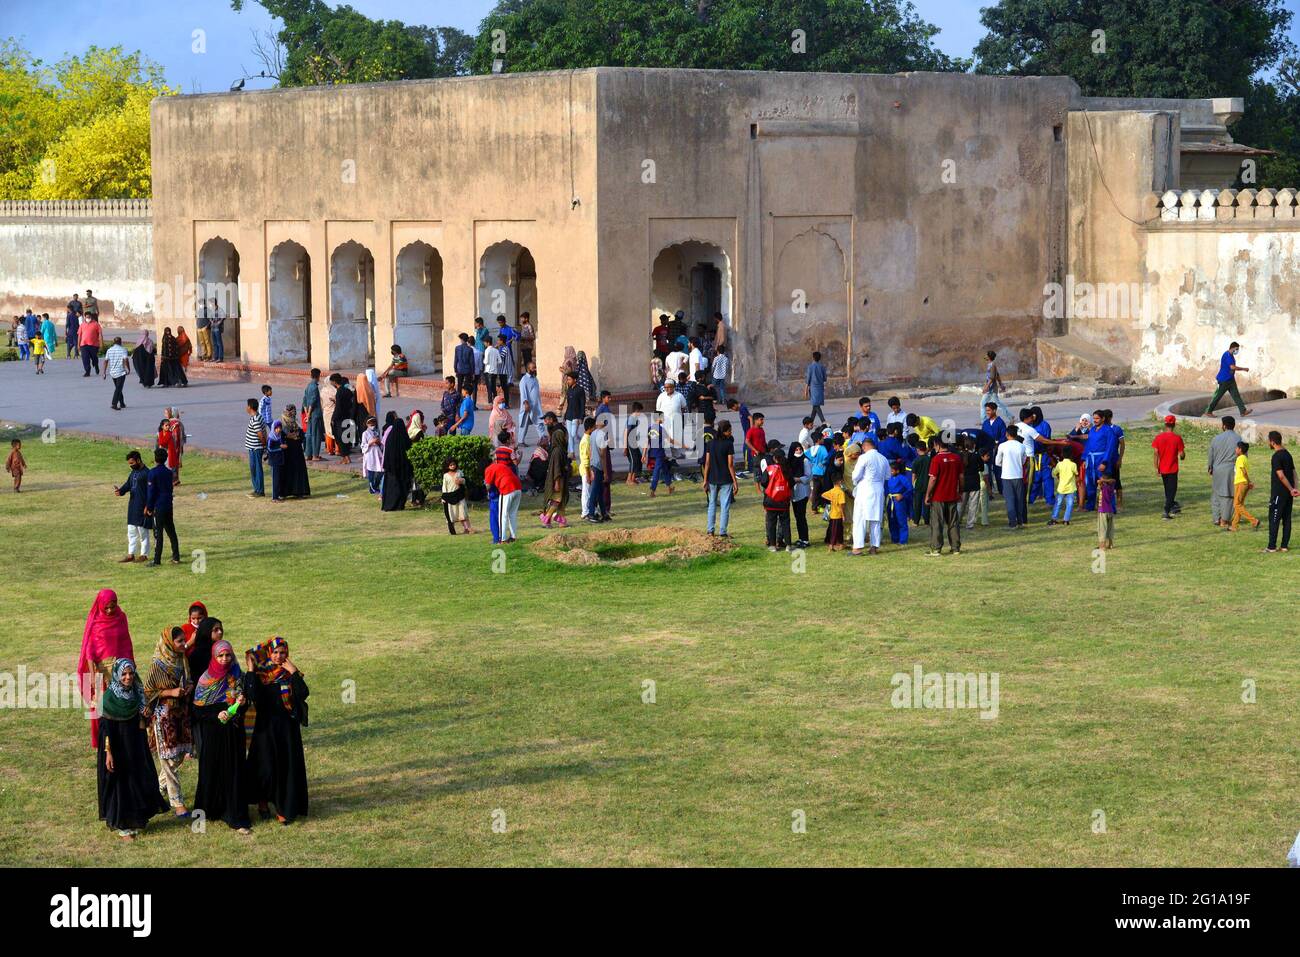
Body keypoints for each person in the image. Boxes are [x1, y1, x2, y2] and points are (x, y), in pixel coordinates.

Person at [96, 658, 169, 839]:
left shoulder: (137, 693)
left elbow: (143, 722)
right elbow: (105, 730)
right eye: (124, 674)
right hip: (116, 746)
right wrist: (109, 753)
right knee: (120, 784)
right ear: (117, 675)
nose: (128, 677)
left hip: (135, 744)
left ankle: (135, 818)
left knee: (137, 780)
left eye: (131, 673)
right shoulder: (109, 699)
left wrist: (145, 714)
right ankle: (122, 824)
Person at [245, 636, 309, 825]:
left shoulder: (289, 673)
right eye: (275, 652)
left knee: (285, 767)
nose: (279, 656)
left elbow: (303, 694)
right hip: (264, 728)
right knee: (265, 767)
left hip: (287, 727)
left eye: (283, 653)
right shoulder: (260, 674)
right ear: (268, 653)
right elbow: (252, 695)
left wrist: (294, 672)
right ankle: (263, 802)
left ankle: (283, 808)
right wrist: (250, 670)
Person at [191, 639, 252, 833]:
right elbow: (197, 712)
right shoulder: (205, 680)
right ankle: (210, 809)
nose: (225, 659)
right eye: (221, 655)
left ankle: (235, 815)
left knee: (234, 770)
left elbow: (246, 701)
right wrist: (216, 714)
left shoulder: (236, 674)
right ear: (214, 657)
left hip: (233, 732)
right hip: (212, 732)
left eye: (228, 655)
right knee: (211, 769)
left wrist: (242, 703)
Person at [142, 627, 194, 816]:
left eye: (183, 640)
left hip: (180, 713)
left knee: (178, 757)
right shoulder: (158, 664)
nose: (183, 644)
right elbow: (147, 691)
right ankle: (177, 803)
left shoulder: (181, 658)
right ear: (169, 642)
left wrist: (188, 687)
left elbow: (189, 679)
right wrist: (170, 692)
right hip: (162, 715)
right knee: (167, 758)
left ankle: (157, 788)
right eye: (179, 641)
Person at [77, 589, 135, 749]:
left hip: (121, 670)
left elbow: (126, 642)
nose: (110, 610)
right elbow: (90, 651)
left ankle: (122, 736)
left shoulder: (121, 618)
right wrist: (94, 675)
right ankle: (104, 741)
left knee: (123, 702)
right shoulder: (96, 621)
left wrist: (130, 664)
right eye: (107, 607)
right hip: (102, 672)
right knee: (102, 707)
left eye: (113, 606)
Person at [851, 436, 890, 555]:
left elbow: (855, 475)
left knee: (859, 518)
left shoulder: (864, 457)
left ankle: (857, 547)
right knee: (876, 519)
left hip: (865, 489)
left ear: (864, 447)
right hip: (878, 489)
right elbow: (888, 476)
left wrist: (857, 480)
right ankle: (874, 546)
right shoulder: (883, 458)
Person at [925, 436, 963, 555]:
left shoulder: (936, 459)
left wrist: (927, 494)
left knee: (937, 523)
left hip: (938, 496)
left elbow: (933, 479)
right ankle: (955, 547)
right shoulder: (956, 458)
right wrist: (960, 491)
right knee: (953, 522)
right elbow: (961, 477)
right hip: (952, 495)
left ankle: (936, 548)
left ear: (938, 445)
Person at [114, 449, 151, 562]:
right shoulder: (133, 473)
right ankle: (131, 554)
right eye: (129, 464)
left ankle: (144, 555)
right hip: (133, 506)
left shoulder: (147, 473)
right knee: (131, 531)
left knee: (142, 532)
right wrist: (121, 491)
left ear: (138, 460)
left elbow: (151, 491)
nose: (131, 466)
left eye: (132, 463)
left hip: (142, 507)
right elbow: (128, 484)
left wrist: (148, 506)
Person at [145, 447, 180, 565]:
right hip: (168, 504)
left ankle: (157, 560)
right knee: (171, 531)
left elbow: (151, 493)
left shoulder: (152, 473)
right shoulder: (169, 472)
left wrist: (149, 507)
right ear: (165, 459)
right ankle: (176, 556)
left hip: (158, 506)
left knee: (158, 533)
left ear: (155, 459)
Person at [703, 420, 738, 537]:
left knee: (712, 504)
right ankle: (723, 532)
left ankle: (710, 530)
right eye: (729, 431)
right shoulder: (728, 444)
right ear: (725, 431)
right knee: (725, 506)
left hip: (712, 478)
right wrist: (735, 481)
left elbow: (707, 463)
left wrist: (705, 480)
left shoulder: (710, 443)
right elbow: (730, 465)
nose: (731, 432)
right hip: (726, 479)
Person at [1265, 431, 1298, 553]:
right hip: (1289, 494)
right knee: (1287, 519)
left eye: (1269, 441)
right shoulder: (1288, 454)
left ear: (1272, 442)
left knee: (1274, 519)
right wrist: (1295, 488)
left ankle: (1271, 547)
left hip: (1279, 493)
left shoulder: (1276, 456)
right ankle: (1284, 546)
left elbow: (1281, 475)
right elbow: (1294, 473)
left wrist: (1291, 489)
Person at [486, 437, 523, 541]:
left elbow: (488, 485)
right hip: (518, 487)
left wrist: (488, 493)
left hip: (507, 489)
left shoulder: (489, 469)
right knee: (512, 513)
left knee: (503, 514)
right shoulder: (503, 466)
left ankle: (501, 539)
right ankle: (513, 536)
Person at [1150, 415, 1186, 520]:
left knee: (1167, 489)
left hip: (1162, 468)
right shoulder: (1177, 438)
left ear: (1165, 424)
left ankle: (1173, 506)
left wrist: (1156, 467)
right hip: (1173, 468)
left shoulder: (1159, 437)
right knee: (1172, 490)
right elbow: (1182, 455)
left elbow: (1156, 453)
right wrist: (1183, 455)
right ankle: (1166, 510)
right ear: (1174, 425)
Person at [1204, 341, 1253, 417]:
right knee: (1217, 396)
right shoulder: (1227, 355)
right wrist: (1243, 369)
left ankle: (1243, 411)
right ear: (1232, 348)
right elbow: (1232, 367)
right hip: (1223, 380)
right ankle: (1209, 411)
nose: (1237, 351)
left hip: (1230, 379)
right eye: (1236, 349)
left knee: (1236, 395)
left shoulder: (1231, 355)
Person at [1208, 416, 1241, 527]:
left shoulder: (1216, 438)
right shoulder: (1239, 439)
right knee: (1228, 495)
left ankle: (1216, 518)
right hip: (1232, 470)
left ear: (1224, 426)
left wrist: (1210, 467)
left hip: (1217, 470)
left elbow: (1211, 455)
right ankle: (1225, 519)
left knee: (1216, 494)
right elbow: (1243, 457)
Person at [541, 413, 571, 527]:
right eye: (563, 437)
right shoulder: (558, 452)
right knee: (557, 498)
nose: (565, 439)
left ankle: (561, 521)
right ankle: (547, 517)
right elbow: (557, 468)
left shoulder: (558, 450)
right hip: (557, 479)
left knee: (562, 497)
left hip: (559, 477)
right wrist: (557, 482)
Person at [996, 425, 1028, 529]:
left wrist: (1004, 465)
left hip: (1006, 476)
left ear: (1007, 434)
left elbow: (997, 461)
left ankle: (1012, 523)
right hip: (1018, 475)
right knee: (1019, 499)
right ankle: (1020, 521)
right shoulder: (1022, 446)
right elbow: (1023, 461)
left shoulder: (1002, 446)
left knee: (1010, 500)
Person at [761, 447, 793, 551]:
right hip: (783, 501)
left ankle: (772, 545)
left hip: (771, 501)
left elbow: (763, 482)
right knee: (785, 523)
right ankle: (788, 545)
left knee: (771, 524)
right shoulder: (787, 470)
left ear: (774, 458)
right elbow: (791, 483)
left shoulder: (769, 469)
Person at [381, 413, 414, 511]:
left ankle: (390, 505)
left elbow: (387, 454)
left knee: (392, 488)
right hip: (402, 470)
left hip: (391, 470)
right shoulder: (404, 439)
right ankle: (399, 505)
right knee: (402, 487)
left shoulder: (390, 439)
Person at [1229, 441, 1262, 532]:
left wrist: (1248, 481)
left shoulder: (1240, 458)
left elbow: (1243, 471)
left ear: (1240, 449)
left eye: (1236, 448)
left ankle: (1254, 520)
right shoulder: (1245, 458)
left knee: (1237, 504)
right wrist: (1249, 482)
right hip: (1244, 483)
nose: (1235, 449)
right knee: (1239, 505)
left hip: (1241, 483)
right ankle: (1234, 526)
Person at [280, 405, 311, 498]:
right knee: (287, 472)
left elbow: (301, 436)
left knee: (298, 472)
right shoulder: (282, 423)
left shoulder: (296, 422)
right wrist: (289, 436)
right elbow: (280, 436)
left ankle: (299, 491)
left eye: (292, 411)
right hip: (287, 452)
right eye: (289, 411)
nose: (290, 413)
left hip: (297, 451)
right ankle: (285, 492)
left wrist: (296, 436)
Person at [886, 459, 913, 545]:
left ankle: (903, 540)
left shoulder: (902, 478)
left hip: (899, 502)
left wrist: (902, 495)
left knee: (901, 520)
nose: (890, 472)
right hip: (890, 501)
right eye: (889, 470)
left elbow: (910, 489)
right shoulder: (888, 478)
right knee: (892, 520)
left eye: (892, 470)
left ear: (897, 470)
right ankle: (894, 538)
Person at [441, 460, 472, 534]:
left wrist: (462, 480)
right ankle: (452, 531)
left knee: (462, 512)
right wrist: (443, 497)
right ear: (447, 466)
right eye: (451, 465)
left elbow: (465, 480)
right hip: (449, 497)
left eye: (454, 464)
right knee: (451, 513)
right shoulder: (445, 475)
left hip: (459, 495)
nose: (452, 466)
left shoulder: (459, 472)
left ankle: (467, 529)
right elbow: (444, 487)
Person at [331, 375, 356, 464]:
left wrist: (333, 418)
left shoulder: (339, 392)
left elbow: (338, 407)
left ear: (334, 382)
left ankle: (346, 457)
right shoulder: (348, 391)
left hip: (340, 418)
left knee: (339, 438)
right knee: (346, 438)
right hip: (348, 416)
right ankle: (345, 457)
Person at [1048, 451, 1078, 526]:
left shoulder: (1059, 464)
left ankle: (1054, 519)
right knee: (1069, 504)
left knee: (1058, 503)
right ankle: (1066, 520)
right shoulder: (1073, 464)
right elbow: (1076, 473)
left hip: (1061, 488)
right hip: (1071, 487)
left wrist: (1058, 475)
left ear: (1062, 455)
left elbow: (1054, 473)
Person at [981, 349, 1012, 422]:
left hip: (991, 389)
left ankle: (1011, 417)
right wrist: (1001, 384)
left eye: (986, 355)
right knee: (986, 404)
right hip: (991, 388)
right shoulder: (990, 365)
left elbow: (992, 378)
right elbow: (997, 375)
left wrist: (986, 387)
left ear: (989, 357)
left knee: (986, 404)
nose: (985, 356)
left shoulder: (992, 365)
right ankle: (1010, 417)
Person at [245, 399, 267, 497]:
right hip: (254, 447)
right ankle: (257, 489)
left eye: (247, 406)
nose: (246, 408)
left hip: (255, 448)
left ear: (250, 407)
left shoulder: (255, 419)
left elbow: (260, 435)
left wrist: (264, 445)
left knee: (256, 469)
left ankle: (259, 490)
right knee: (254, 468)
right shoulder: (258, 416)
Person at [518, 360, 543, 445]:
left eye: (535, 367)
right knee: (524, 424)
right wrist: (526, 403)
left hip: (536, 406)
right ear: (528, 369)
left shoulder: (535, 379)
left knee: (539, 422)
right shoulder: (524, 380)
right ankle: (520, 441)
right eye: (533, 368)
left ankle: (543, 439)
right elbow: (523, 393)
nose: (535, 369)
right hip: (528, 406)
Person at [102, 336, 130, 410]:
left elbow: (105, 361)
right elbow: (126, 360)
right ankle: (114, 404)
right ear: (120, 342)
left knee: (118, 388)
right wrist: (128, 369)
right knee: (118, 388)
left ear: (114, 342)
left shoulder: (109, 350)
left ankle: (122, 403)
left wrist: (104, 372)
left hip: (113, 373)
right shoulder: (123, 350)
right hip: (120, 372)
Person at [821, 472, 847, 551]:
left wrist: (832, 499)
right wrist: (843, 515)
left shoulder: (832, 491)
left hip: (832, 514)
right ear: (840, 482)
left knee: (838, 530)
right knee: (835, 531)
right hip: (838, 515)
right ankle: (831, 545)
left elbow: (823, 495)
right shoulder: (841, 492)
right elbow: (841, 505)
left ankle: (841, 543)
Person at [303, 368, 325, 461]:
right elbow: (312, 402)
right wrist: (309, 414)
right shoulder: (314, 387)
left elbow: (304, 401)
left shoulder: (308, 386)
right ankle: (315, 455)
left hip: (310, 414)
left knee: (309, 434)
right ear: (318, 376)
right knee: (316, 435)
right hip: (315, 414)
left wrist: (307, 413)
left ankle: (308, 454)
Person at [362, 416, 384, 494]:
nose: (372, 425)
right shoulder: (365, 433)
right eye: (370, 423)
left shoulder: (377, 431)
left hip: (377, 453)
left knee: (381, 470)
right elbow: (363, 446)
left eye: (373, 423)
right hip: (370, 454)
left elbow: (381, 443)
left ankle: (376, 485)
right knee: (371, 471)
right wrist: (370, 443)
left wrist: (378, 442)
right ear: (367, 424)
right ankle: (372, 488)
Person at [267, 420, 287, 502]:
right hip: (274, 461)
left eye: (280, 428)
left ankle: (278, 495)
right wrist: (280, 446)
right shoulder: (271, 437)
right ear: (274, 428)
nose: (278, 430)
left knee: (278, 478)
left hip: (279, 460)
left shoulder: (279, 436)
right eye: (277, 428)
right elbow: (270, 449)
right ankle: (274, 497)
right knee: (275, 479)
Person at [1097, 475, 1117, 549]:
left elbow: (1099, 484)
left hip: (1103, 511)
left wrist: (1101, 481)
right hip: (1110, 510)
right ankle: (1110, 544)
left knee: (1102, 528)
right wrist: (1104, 481)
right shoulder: (1111, 487)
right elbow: (1113, 480)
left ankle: (1102, 545)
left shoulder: (1104, 487)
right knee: (1110, 528)